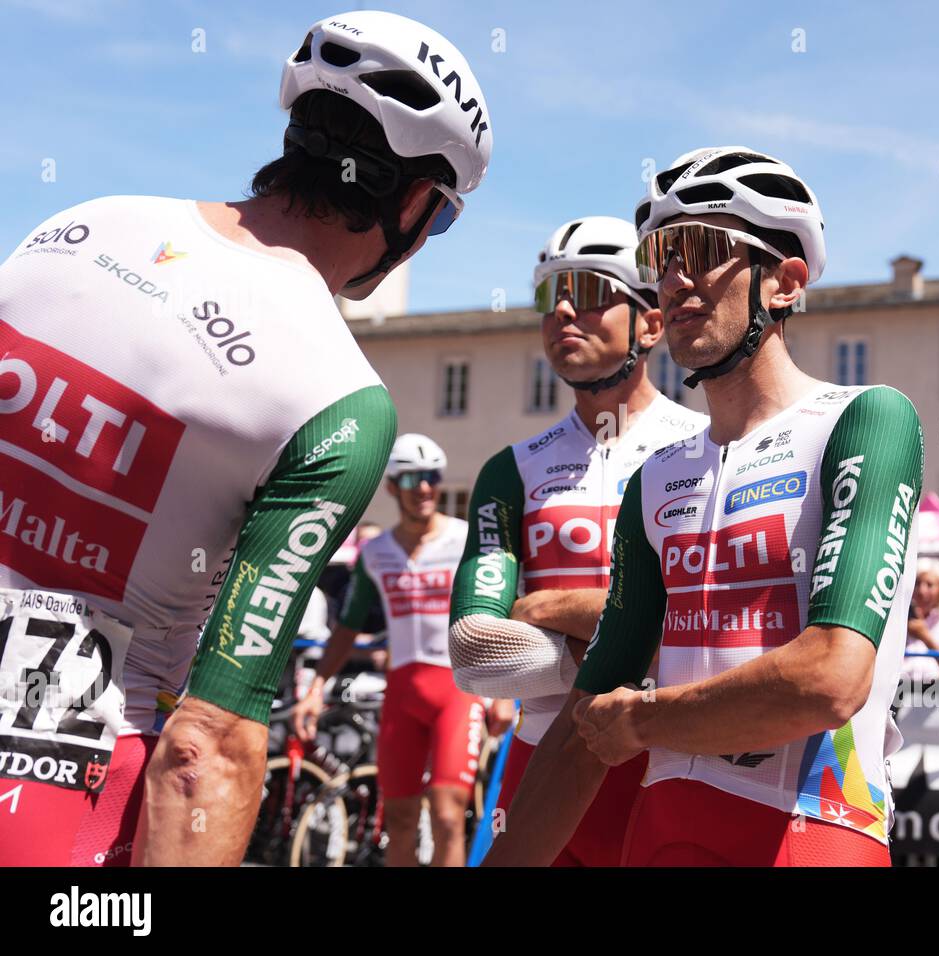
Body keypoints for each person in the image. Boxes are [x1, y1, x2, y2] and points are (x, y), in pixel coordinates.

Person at [0, 10, 491, 866]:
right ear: (413, 202)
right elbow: (208, 746)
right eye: (440, 220)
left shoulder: (77, 225)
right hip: (60, 785)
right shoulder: (338, 396)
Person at [484, 147, 925, 867]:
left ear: (784, 283)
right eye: (663, 255)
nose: (677, 278)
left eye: (705, 250)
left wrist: (643, 719)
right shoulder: (657, 478)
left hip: (810, 827)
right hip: (662, 833)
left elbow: (829, 678)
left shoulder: (865, 421)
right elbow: (583, 724)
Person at [448, 216, 707, 866]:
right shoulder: (511, 469)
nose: (563, 309)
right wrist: (639, 647)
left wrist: (546, 607)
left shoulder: (709, 449)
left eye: (590, 291)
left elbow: (711, 628)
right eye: (550, 295)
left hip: (670, 764)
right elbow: (476, 656)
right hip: (541, 759)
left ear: (650, 324)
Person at [292, 434, 512, 866]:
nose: (425, 488)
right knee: (399, 817)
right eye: (412, 478)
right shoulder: (375, 553)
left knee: (448, 812)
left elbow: (505, 612)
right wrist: (316, 687)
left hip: (457, 689)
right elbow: (347, 628)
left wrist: (503, 690)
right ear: (392, 486)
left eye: (432, 477)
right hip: (402, 693)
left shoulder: (466, 539)